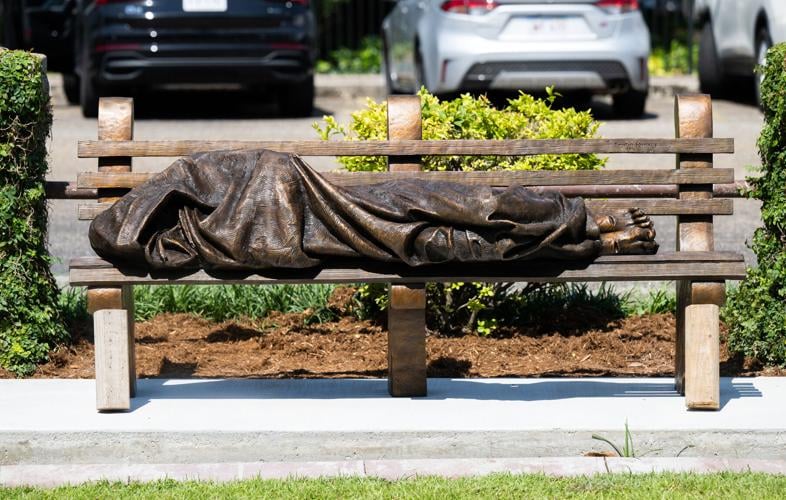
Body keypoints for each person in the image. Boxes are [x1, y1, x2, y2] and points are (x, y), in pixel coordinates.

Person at [89, 149, 657, 271]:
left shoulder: (189, 179)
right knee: (434, 246)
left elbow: (269, 169)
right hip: (327, 233)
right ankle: (589, 240)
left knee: (459, 205)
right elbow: (115, 237)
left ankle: (577, 219)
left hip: (338, 200)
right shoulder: (187, 236)